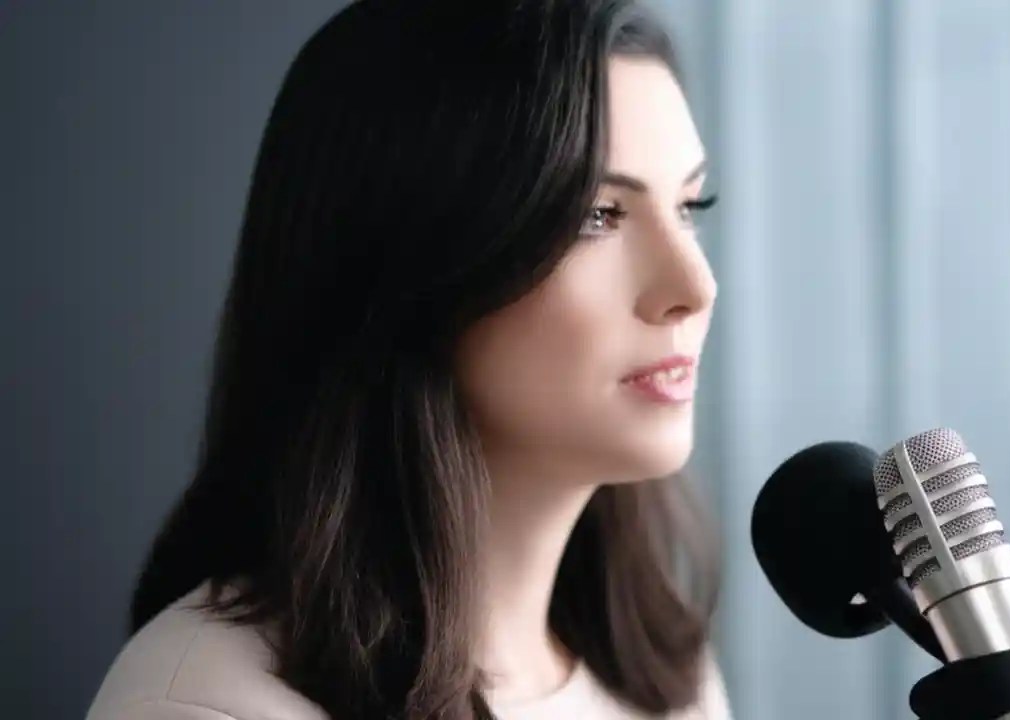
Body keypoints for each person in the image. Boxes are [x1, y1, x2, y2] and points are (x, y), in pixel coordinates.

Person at [83, 1, 730, 718]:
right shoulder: (213, 705)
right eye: (596, 215)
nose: (694, 288)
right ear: (417, 259)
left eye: (689, 208)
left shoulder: (665, 676)